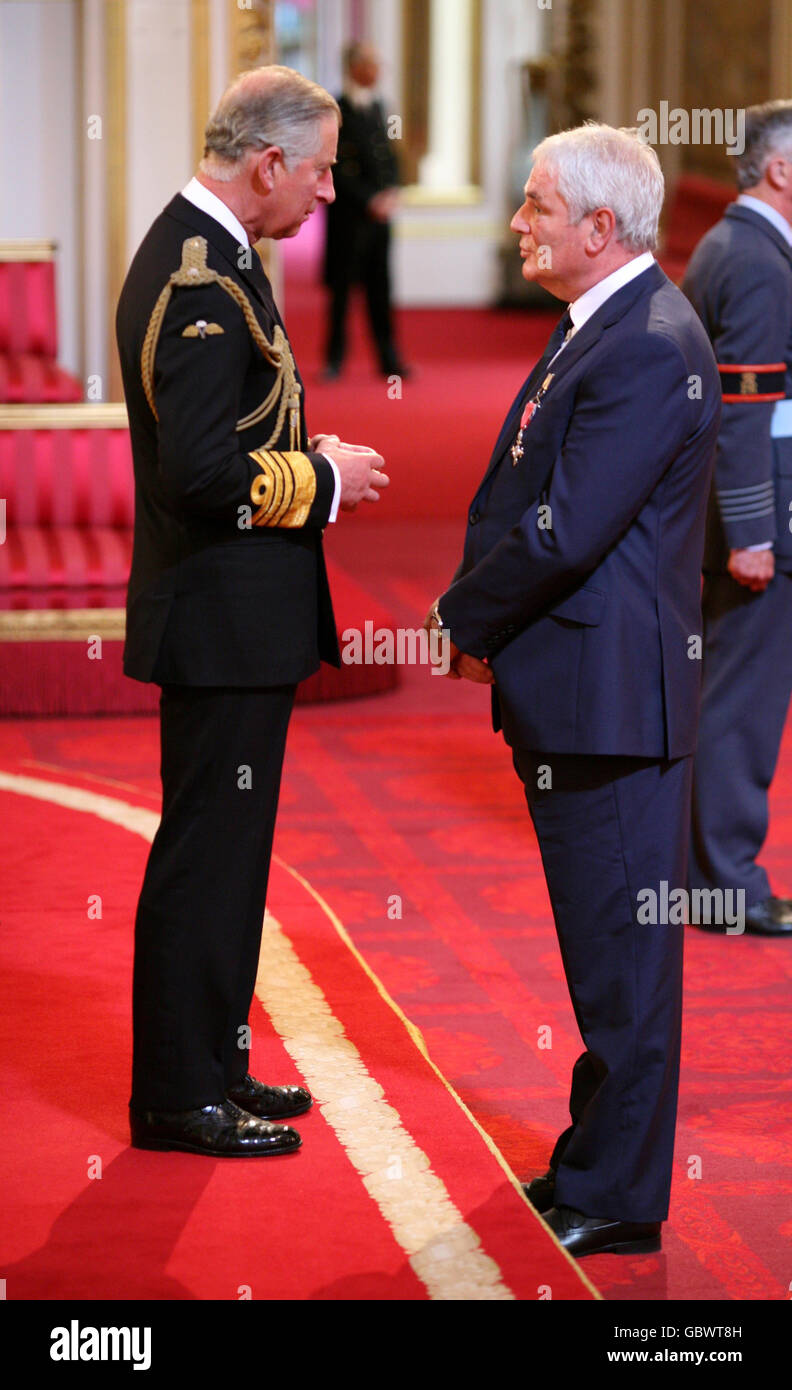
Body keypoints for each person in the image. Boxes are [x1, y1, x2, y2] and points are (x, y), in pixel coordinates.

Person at [425, 124, 721, 1256]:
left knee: (625, 966)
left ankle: (623, 1192)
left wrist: (463, 613)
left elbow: (565, 526)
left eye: (537, 206)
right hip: (590, 692)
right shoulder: (609, 324)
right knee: (606, 953)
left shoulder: (647, 339)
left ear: (601, 228)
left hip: (615, 701)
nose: (519, 223)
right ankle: (596, 1159)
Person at [117, 65, 388, 1157]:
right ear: (270, 162)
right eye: (320, 171)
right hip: (220, 613)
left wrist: (301, 450)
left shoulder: (224, 253)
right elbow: (194, 472)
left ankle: (214, 1059)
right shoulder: (198, 275)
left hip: (237, 611)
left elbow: (233, 426)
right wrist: (319, 484)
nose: (327, 193)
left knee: (233, 856)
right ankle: (178, 1094)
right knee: (207, 856)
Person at [682, 100, 792, 938]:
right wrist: (753, 532)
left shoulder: (742, 246)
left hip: (749, 503)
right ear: (780, 170)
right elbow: (748, 407)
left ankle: (705, 872)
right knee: (741, 704)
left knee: (731, 691)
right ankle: (726, 884)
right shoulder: (758, 261)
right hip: (760, 514)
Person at [322, 40, 408, 379]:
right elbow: (336, 166)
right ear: (354, 68)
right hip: (348, 219)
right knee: (341, 292)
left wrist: (391, 193)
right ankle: (334, 359)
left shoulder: (380, 107)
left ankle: (388, 359)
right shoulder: (337, 109)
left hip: (379, 220)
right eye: (371, 63)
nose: (377, 70)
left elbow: (391, 156)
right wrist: (368, 199)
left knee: (381, 289)